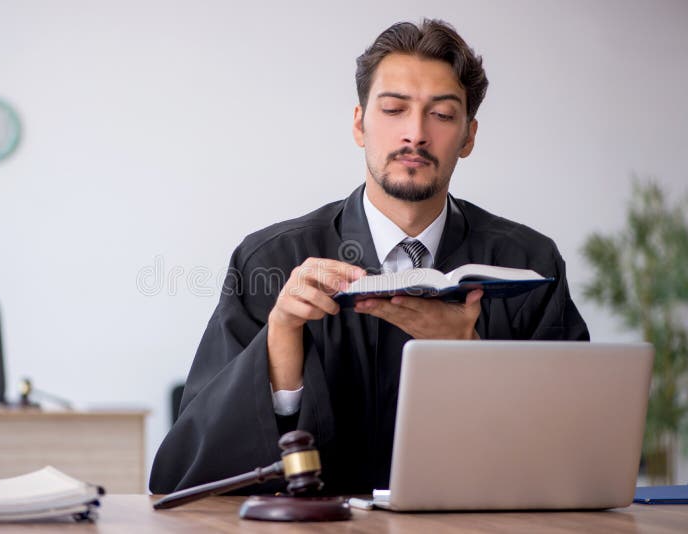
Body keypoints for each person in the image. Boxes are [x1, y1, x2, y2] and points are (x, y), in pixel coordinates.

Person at [149, 19, 589, 495]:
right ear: (360, 124)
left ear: (468, 136)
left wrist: (471, 360)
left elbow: (579, 455)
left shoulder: (531, 266)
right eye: (394, 109)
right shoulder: (269, 262)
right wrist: (279, 347)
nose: (415, 134)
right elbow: (184, 475)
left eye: (442, 115)